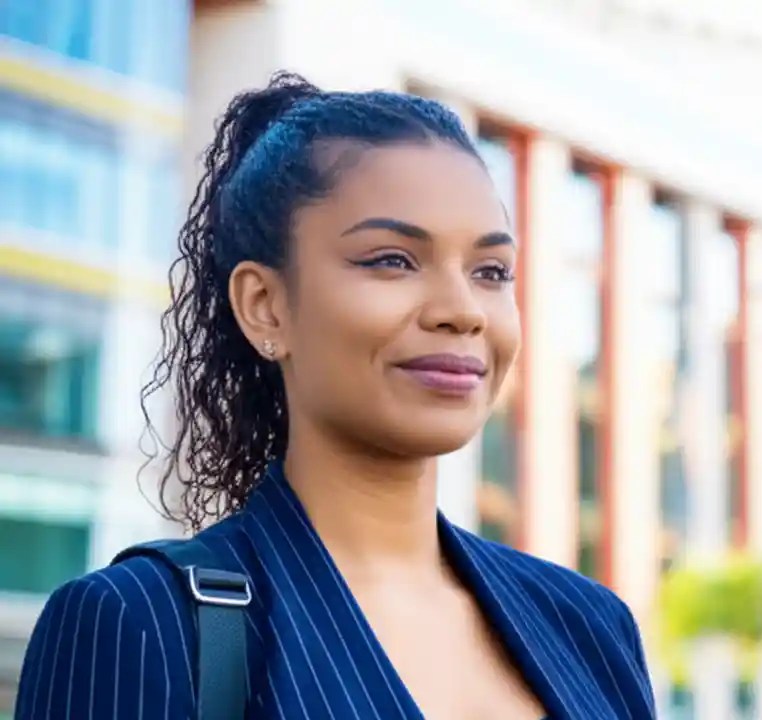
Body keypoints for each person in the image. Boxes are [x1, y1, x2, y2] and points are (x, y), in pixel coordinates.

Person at [15, 72, 655, 720]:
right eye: (391, 260)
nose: (463, 311)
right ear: (265, 306)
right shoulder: (143, 624)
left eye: (490, 271)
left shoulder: (591, 628)